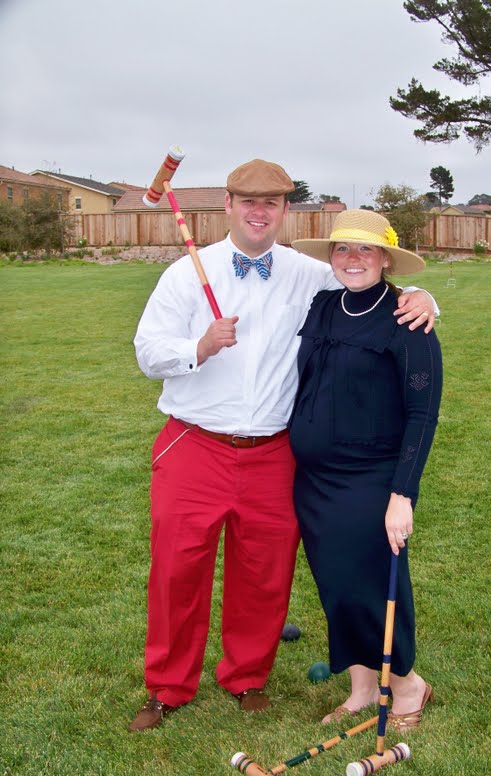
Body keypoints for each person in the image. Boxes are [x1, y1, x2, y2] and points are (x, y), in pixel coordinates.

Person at [129, 160, 437, 731]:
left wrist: (422, 296)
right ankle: (168, 686)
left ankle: (246, 677)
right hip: (195, 443)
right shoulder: (184, 273)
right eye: (247, 200)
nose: (258, 211)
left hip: (274, 451)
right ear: (227, 205)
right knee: (177, 570)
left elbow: (368, 286)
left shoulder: (305, 272)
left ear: (284, 211)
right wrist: (197, 347)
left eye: (270, 202)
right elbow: (147, 352)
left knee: (263, 572)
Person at [289, 209, 442, 731]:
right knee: (336, 583)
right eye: (342, 250)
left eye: (365, 250)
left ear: (384, 259)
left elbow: (423, 413)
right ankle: (359, 686)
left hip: (369, 479)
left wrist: (403, 494)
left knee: (373, 584)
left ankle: (407, 687)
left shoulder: (407, 318)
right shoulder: (324, 304)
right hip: (313, 481)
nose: (352, 260)